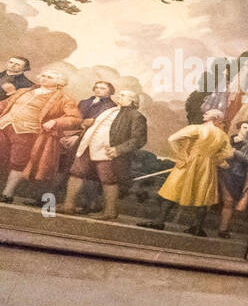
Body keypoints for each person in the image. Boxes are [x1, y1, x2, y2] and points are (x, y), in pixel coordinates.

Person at [58, 88, 148, 220]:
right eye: (119, 94)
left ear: (132, 101)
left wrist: (118, 149)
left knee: (109, 180)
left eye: (123, 95)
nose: (119, 96)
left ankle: (110, 212)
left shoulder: (136, 116)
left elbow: (139, 139)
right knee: (76, 173)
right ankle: (68, 205)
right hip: (88, 147)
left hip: (108, 152)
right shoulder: (109, 110)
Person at [144, 109, 233, 236]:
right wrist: (213, 159)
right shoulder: (222, 135)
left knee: (172, 191)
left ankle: (159, 222)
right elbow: (228, 153)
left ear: (214, 118)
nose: (204, 114)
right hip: (207, 168)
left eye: (207, 113)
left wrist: (182, 155)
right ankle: (197, 227)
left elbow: (172, 139)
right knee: (202, 196)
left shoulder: (197, 128)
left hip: (189, 163)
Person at [0, 69, 81, 203]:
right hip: (3, 125)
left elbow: (75, 119)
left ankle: (7, 194)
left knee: (17, 162)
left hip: (27, 132)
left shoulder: (64, 99)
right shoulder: (23, 91)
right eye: (43, 75)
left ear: (59, 82)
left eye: (49, 77)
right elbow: (4, 105)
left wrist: (55, 122)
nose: (44, 78)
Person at [217, 120, 248, 237]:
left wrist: (235, 151)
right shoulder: (230, 139)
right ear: (239, 128)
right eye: (244, 127)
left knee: (229, 202)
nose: (247, 131)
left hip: (237, 176)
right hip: (221, 172)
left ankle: (223, 229)